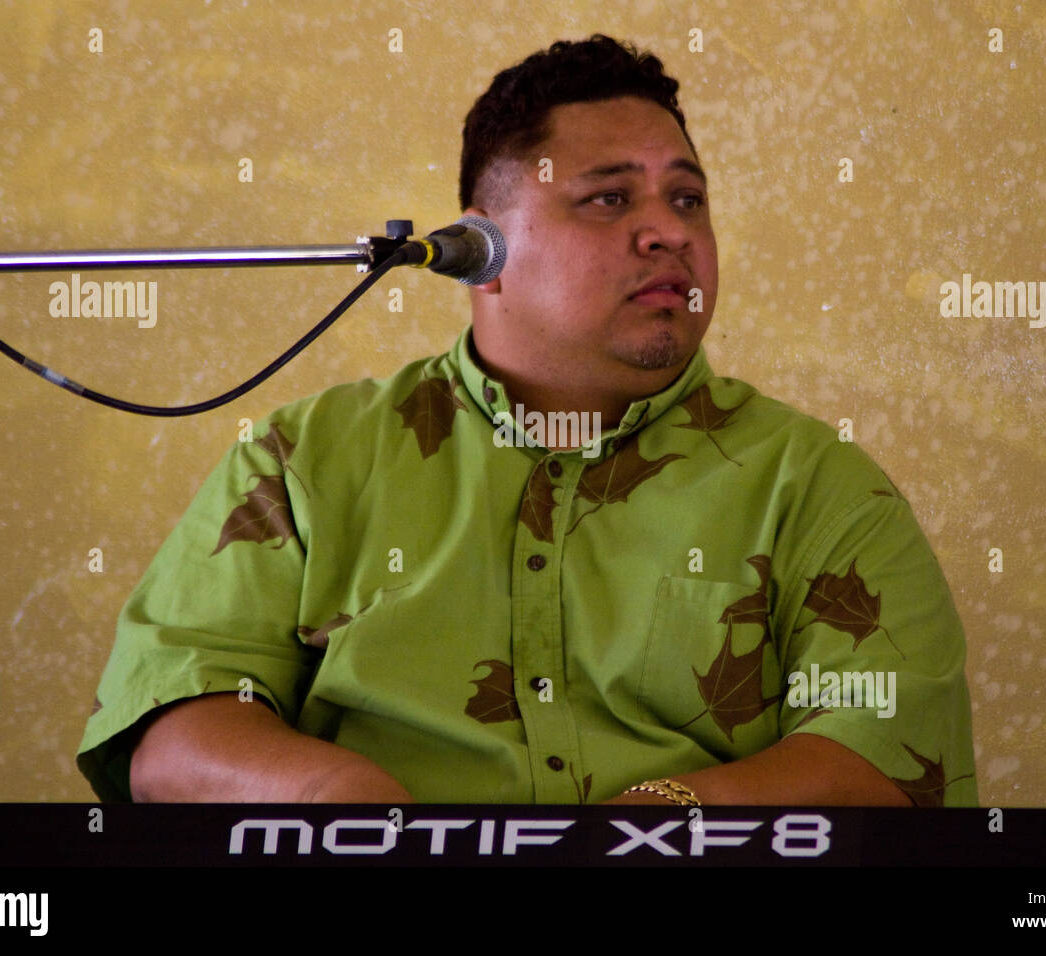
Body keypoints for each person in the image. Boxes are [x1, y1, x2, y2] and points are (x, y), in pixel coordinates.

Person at [77, 34, 977, 807]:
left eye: (687, 199)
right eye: (610, 198)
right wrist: (347, 805)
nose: (667, 231)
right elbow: (173, 733)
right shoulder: (306, 461)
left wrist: (650, 826)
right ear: (483, 253)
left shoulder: (816, 482)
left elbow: (881, 765)